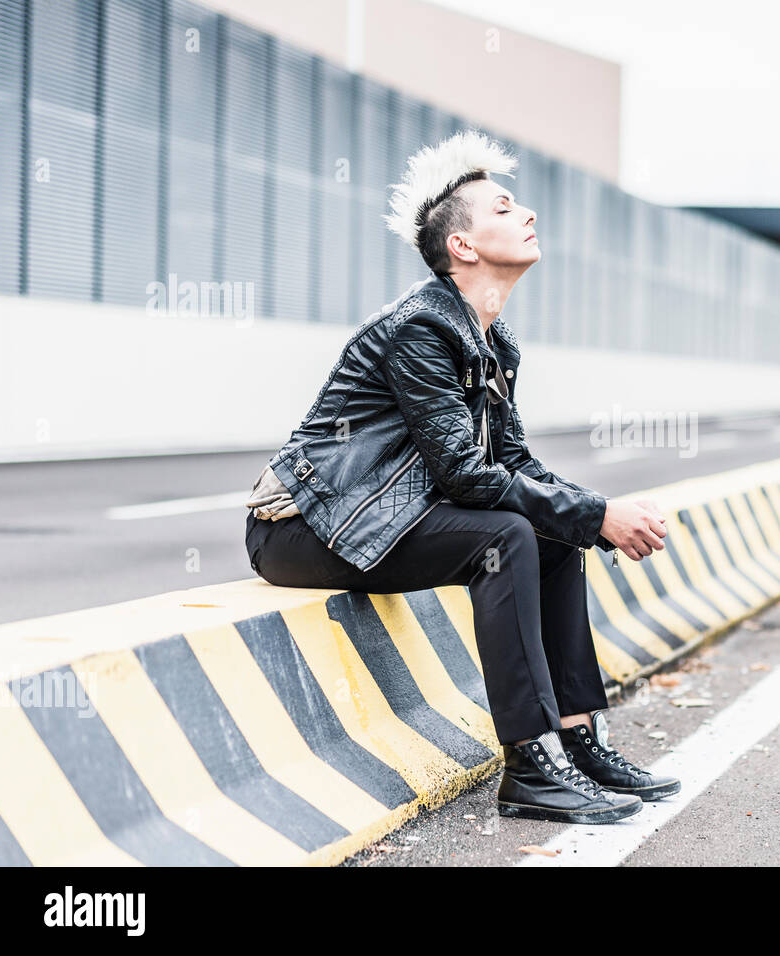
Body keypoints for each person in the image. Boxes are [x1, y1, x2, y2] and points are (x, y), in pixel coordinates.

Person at [243, 129, 678, 825]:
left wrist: (587, 515)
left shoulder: (491, 340)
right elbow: (467, 474)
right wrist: (599, 514)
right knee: (505, 534)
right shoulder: (422, 327)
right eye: (505, 208)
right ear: (463, 247)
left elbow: (514, 462)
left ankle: (576, 738)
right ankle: (530, 767)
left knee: (554, 531)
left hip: (379, 522)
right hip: (303, 528)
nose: (528, 214)